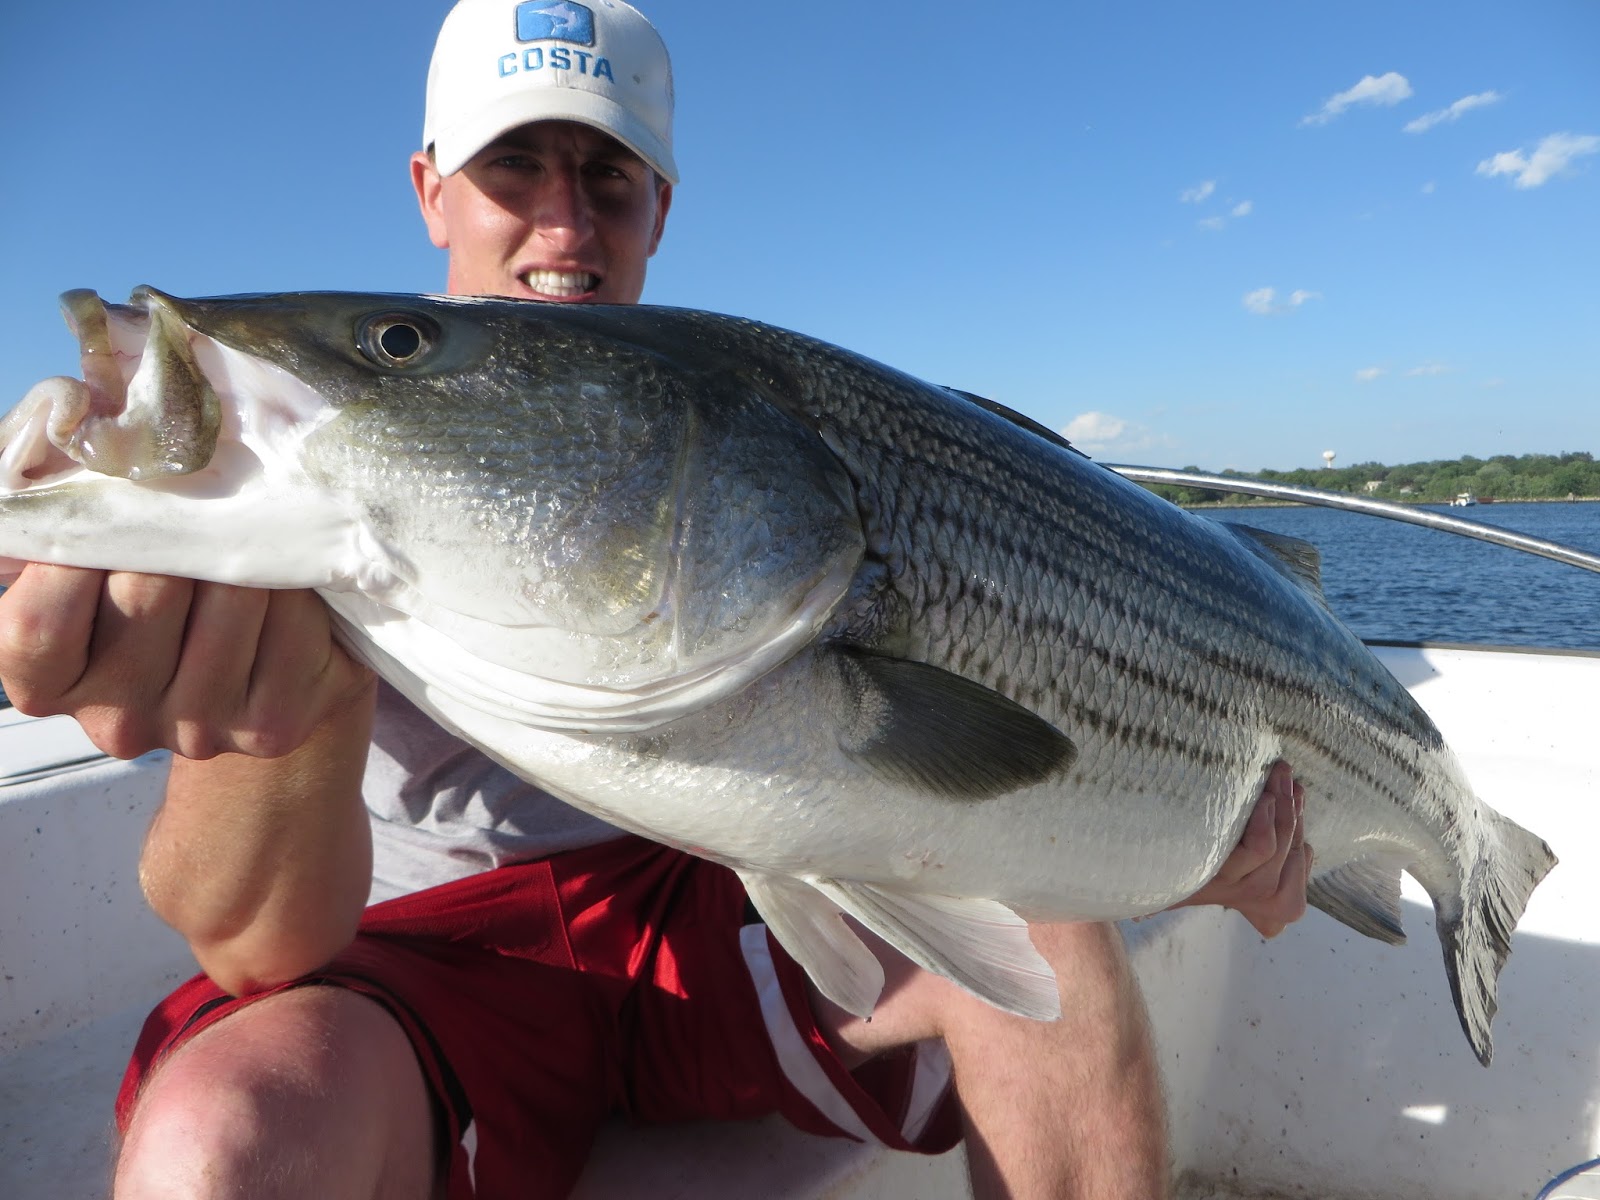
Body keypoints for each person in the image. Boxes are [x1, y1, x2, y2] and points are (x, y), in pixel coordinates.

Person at [0, 3, 1311, 1197]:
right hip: (435, 959)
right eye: (514, 165)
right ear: (429, 189)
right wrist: (273, 721)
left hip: (718, 898)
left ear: (660, 210)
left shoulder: (727, 412)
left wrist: (1184, 847)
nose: (566, 227)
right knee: (218, 1146)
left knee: (1055, 937)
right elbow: (247, 945)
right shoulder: (308, 464)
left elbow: (1000, 759)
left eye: (608, 177)